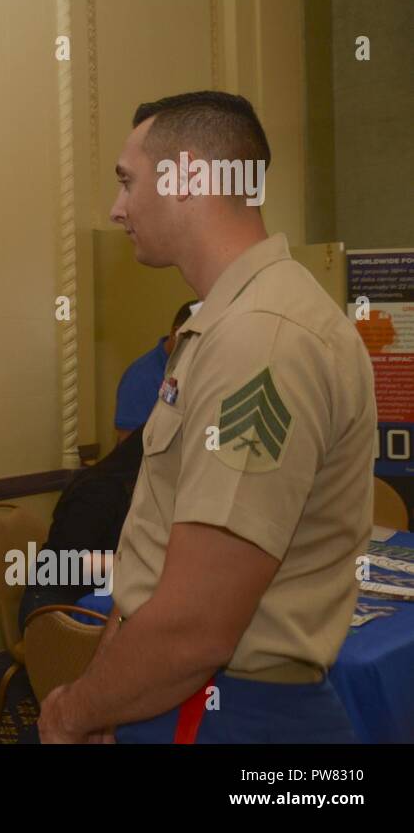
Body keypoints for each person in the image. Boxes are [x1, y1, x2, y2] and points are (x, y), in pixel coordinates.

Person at [39, 91, 376, 744]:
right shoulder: (227, 325)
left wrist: (70, 712)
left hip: (228, 710)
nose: (117, 208)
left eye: (127, 181)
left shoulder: (261, 340)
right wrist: (111, 698)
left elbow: (197, 624)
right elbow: (153, 562)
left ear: (188, 176)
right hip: (180, 696)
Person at [17, 428, 143, 630]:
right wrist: (131, 564)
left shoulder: (134, 495)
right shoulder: (97, 491)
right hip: (52, 606)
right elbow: (70, 561)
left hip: (92, 598)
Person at [114, 300, 198, 441]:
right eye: (197, 340)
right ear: (176, 333)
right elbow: (128, 449)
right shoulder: (140, 377)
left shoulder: (199, 368)